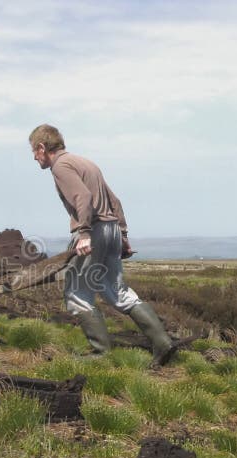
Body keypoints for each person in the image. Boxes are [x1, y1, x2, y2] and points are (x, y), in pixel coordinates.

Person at [29, 124, 177, 368]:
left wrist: (84, 233)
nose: (35, 158)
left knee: (77, 293)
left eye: (35, 152)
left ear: (42, 148)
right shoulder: (86, 163)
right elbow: (114, 200)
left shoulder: (61, 166)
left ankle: (101, 353)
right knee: (117, 292)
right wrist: (123, 235)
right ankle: (162, 343)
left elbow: (83, 198)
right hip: (111, 229)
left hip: (93, 230)